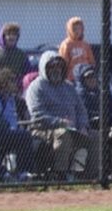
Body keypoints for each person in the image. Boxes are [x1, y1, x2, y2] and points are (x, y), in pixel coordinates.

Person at [25, 50, 91, 178]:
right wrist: (59, 122)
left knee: (94, 137)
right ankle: (61, 174)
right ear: (45, 68)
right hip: (43, 129)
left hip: (74, 128)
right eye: (52, 66)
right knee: (63, 134)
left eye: (59, 66)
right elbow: (37, 114)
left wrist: (83, 126)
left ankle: (83, 174)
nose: (56, 69)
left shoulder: (69, 87)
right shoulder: (36, 87)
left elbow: (81, 110)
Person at [0, 68, 37, 178]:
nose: (16, 83)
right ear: (4, 82)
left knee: (28, 136)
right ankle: (23, 172)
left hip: (8, 133)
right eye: (12, 80)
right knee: (24, 137)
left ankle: (29, 172)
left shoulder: (10, 98)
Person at [57, 16, 93, 82]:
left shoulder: (85, 44)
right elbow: (63, 63)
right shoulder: (66, 44)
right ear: (70, 30)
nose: (77, 31)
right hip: (71, 78)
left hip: (85, 76)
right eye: (74, 29)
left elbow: (91, 61)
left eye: (79, 29)